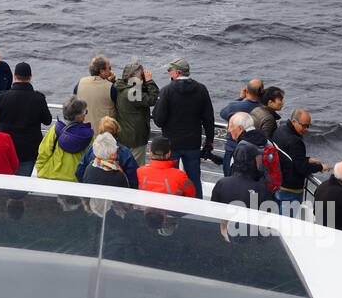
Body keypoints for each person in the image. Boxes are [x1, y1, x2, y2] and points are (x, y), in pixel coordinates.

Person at [151, 58, 215, 196]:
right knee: (194, 179)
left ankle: (172, 208)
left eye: (170, 70)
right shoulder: (201, 89)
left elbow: (159, 120)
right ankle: (196, 205)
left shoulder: (167, 91)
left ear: (177, 73)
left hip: (171, 144)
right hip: (193, 143)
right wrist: (209, 140)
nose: (168, 73)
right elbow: (209, 118)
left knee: (171, 179)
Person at [0, 61, 51, 178]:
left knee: (6, 180)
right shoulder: (38, 98)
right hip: (29, 149)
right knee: (23, 181)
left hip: (7, 147)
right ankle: (17, 197)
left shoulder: (2, 97)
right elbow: (47, 121)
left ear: (15, 76)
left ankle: (10, 196)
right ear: (30, 77)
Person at [211, 112, 275, 209]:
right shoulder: (267, 141)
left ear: (240, 128)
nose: (228, 130)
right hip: (264, 192)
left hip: (243, 194)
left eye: (231, 126)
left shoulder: (242, 147)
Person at [272, 108, 325, 215]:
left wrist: (307, 159)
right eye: (304, 125)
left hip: (278, 182)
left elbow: (289, 157)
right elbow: (302, 168)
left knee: (278, 216)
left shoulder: (280, 130)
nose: (306, 129)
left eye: (308, 126)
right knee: (287, 221)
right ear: (293, 121)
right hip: (290, 189)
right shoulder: (295, 141)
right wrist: (320, 167)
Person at [34, 96, 94, 182]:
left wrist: (40, 169)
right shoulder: (89, 135)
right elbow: (90, 159)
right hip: (76, 178)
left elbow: (44, 151)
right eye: (85, 112)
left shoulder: (56, 129)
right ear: (81, 117)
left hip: (53, 174)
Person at [113, 61, 158, 165]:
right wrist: (150, 81)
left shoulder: (120, 86)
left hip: (124, 136)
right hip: (136, 138)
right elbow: (152, 99)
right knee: (136, 167)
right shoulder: (132, 93)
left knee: (124, 164)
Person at [75, 117, 140, 187]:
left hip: (93, 191)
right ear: (117, 131)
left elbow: (79, 172)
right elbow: (134, 178)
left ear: (100, 132)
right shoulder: (125, 153)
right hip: (118, 192)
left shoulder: (92, 149)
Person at [218, 78, 264, 175]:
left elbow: (223, 113)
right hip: (254, 152)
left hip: (232, 150)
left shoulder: (234, 106)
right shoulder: (263, 109)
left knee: (229, 179)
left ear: (246, 91)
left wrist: (240, 98)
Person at [73, 55, 118, 133]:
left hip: (85, 133)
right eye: (109, 68)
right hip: (104, 134)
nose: (110, 71)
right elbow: (119, 105)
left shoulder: (80, 83)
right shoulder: (110, 88)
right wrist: (113, 83)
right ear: (102, 71)